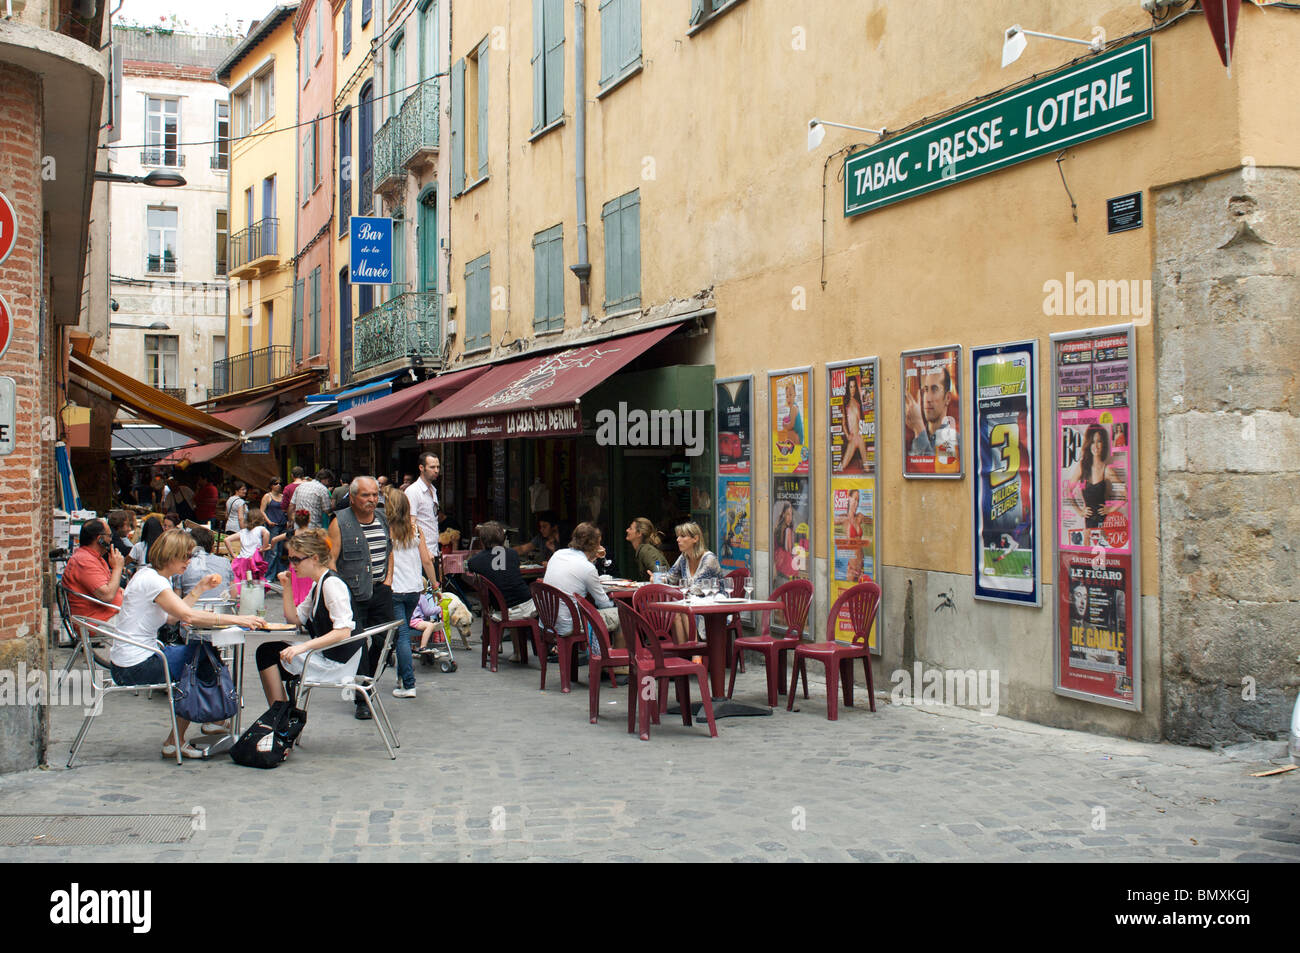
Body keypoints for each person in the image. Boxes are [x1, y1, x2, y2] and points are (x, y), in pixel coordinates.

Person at [112, 529, 265, 758]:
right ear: (171, 555)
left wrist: (200, 588)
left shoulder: (149, 576)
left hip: (132, 658)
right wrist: (239, 619)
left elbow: (173, 617)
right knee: (200, 658)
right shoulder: (154, 582)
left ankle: (208, 721)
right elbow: (188, 617)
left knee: (202, 655)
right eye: (185, 556)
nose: (189, 561)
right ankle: (196, 729)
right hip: (135, 665)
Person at [257, 529, 366, 706]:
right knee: (268, 653)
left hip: (339, 663)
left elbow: (344, 632)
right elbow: (295, 619)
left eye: (296, 559)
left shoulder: (331, 584)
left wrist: (302, 647)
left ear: (314, 558)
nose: (292, 565)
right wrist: (287, 587)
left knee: (267, 654)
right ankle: (282, 716)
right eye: (290, 559)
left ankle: (281, 717)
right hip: (331, 656)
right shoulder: (319, 583)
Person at [327, 476, 393, 720]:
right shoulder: (340, 522)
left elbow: (389, 550)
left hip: (380, 590)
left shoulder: (383, 518)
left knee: (384, 641)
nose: (372, 500)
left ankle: (369, 682)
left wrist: (388, 580)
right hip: (352, 593)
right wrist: (336, 591)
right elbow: (332, 559)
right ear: (353, 498)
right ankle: (362, 698)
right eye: (366, 495)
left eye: (375, 495)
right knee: (359, 645)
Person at [385, 487, 438, 697]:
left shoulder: (386, 529)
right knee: (403, 633)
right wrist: (435, 585)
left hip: (394, 589)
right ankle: (402, 677)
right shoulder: (415, 529)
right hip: (415, 589)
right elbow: (427, 559)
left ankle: (408, 684)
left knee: (402, 636)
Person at [467, 521, 537, 664]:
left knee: (504, 604)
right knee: (510, 601)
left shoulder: (475, 561)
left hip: (502, 610)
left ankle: (499, 646)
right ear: (503, 539)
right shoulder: (512, 554)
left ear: (482, 540)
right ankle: (518, 652)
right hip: (526, 606)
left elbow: (477, 569)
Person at [543, 522, 620, 639]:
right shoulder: (588, 568)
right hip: (569, 624)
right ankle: (615, 656)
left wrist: (592, 558)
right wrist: (617, 605)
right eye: (599, 543)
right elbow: (603, 604)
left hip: (548, 622)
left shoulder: (558, 554)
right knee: (623, 617)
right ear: (594, 545)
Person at [664, 522, 724, 643]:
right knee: (676, 613)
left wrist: (678, 591)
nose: (677, 539)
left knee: (685, 611)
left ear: (695, 539)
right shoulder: (684, 557)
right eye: (678, 536)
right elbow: (670, 577)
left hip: (713, 604)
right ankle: (684, 653)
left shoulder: (709, 559)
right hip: (692, 601)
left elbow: (697, 588)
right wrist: (658, 578)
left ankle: (696, 653)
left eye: (682, 536)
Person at [62, 520, 126, 623]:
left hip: (106, 614)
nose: (111, 540)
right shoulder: (84, 561)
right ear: (100, 539)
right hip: (97, 621)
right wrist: (117, 568)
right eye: (109, 536)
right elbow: (107, 595)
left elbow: (107, 585)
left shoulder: (94, 557)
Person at [1067, 424, 1124, 531]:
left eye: (1099, 441)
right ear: (1088, 444)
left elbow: (1125, 494)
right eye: (1093, 441)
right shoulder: (1082, 467)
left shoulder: (1106, 470)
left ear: (1103, 444)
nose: (1096, 446)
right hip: (1088, 523)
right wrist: (1079, 511)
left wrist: (1111, 510)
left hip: (1104, 522)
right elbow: (1068, 491)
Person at [906, 363, 957, 456]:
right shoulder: (917, 436)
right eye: (926, 390)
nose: (928, 399)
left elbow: (938, 469)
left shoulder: (953, 438)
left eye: (934, 389)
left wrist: (918, 428)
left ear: (948, 398)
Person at [404, 452, 441, 579]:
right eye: (432, 467)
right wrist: (424, 551)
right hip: (421, 555)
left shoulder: (433, 490)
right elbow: (410, 524)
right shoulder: (413, 491)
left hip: (433, 550)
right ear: (421, 468)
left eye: (438, 467)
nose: (436, 471)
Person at [177, 526, 235, 596]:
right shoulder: (225, 562)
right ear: (212, 547)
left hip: (192, 606)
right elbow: (233, 594)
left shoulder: (181, 565)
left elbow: (176, 596)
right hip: (221, 606)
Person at [226, 507, 272, 583]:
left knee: (243, 580)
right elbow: (267, 533)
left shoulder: (243, 532)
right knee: (254, 581)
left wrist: (233, 555)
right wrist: (265, 546)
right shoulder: (260, 529)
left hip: (242, 559)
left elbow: (226, 539)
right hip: (254, 560)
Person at [839, 375, 870, 472]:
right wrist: (848, 435)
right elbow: (843, 423)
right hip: (852, 438)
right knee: (842, 466)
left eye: (854, 386)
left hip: (860, 437)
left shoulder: (857, 402)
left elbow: (861, 420)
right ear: (848, 388)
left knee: (867, 467)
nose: (852, 389)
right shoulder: (846, 404)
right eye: (850, 387)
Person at [260, 478, 288, 579]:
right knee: (273, 551)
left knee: (280, 551)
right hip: (273, 526)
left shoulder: (283, 496)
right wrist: (268, 521)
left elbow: (286, 509)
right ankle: (268, 575)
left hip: (283, 525)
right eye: (276, 484)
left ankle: (277, 574)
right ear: (271, 485)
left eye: (280, 483)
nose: (278, 485)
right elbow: (262, 511)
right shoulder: (267, 496)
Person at [772, 500, 798, 588]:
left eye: (791, 514)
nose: (790, 517)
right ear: (783, 514)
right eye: (788, 514)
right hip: (786, 573)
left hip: (781, 573)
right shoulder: (787, 531)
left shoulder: (778, 530)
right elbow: (790, 550)